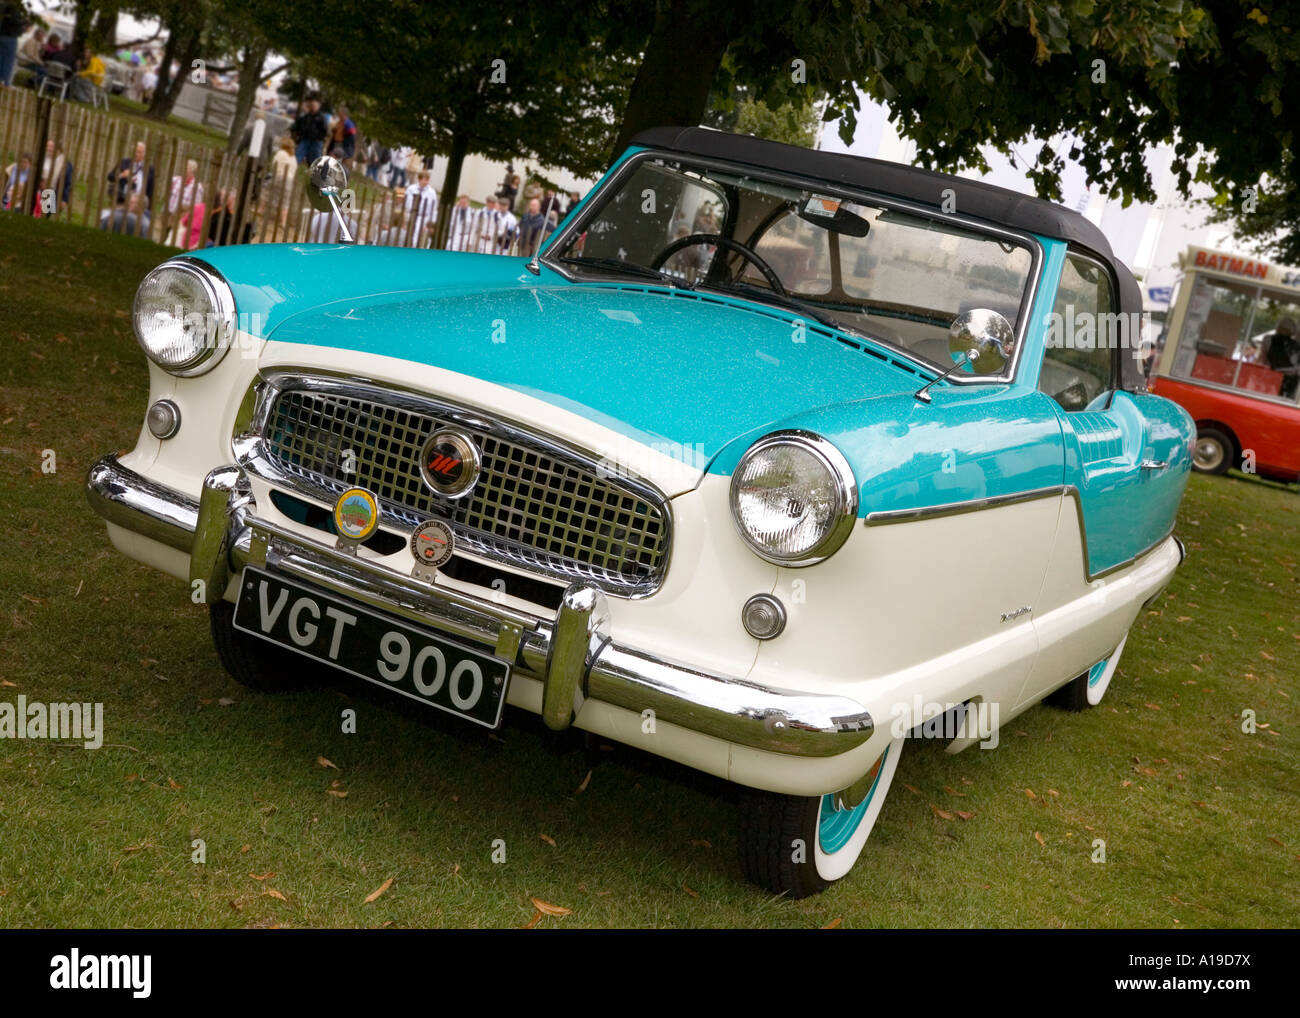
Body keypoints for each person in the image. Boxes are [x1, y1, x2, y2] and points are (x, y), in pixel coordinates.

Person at [165, 158, 203, 246]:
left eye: (187, 168)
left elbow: (197, 205)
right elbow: (168, 195)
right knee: (166, 235)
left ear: (192, 170)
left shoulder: (197, 187)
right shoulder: (175, 180)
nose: (184, 169)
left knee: (177, 238)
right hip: (170, 214)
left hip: (183, 217)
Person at [1262, 317, 1300, 400]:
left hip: (1272, 377)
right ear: (1292, 331)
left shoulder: (1268, 339)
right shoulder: (1296, 346)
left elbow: (1263, 361)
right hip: (1290, 381)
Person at [404, 168, 437, 247]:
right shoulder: (411, 189)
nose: (426, 182)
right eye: (424, 180)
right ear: (419, 179)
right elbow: (407, 203)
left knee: (421, 239)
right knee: (409, 236)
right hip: (412, 214)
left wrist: (430, 222)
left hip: (424, 217)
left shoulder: (431, 192)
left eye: (427, 180)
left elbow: (433, 208)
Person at [290, 93, 327, 165]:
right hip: (305, 140)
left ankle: (315, 174)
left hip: (316, 142)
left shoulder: (321, 117)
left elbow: (324, 131)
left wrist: (318, 137)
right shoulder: (306, 116)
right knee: (297, 157)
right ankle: (292, 169)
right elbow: (297, 125)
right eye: (311, 105)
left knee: (316, 162)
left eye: (314, 106)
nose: (312, 107)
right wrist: (295, 132)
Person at [0, 0, 28, 87]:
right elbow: (15, 22)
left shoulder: (1, 5)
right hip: (10, 36)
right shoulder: (12, 7)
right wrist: (25, 21)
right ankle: (4, 82)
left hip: (1, 35)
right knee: (8, 61)